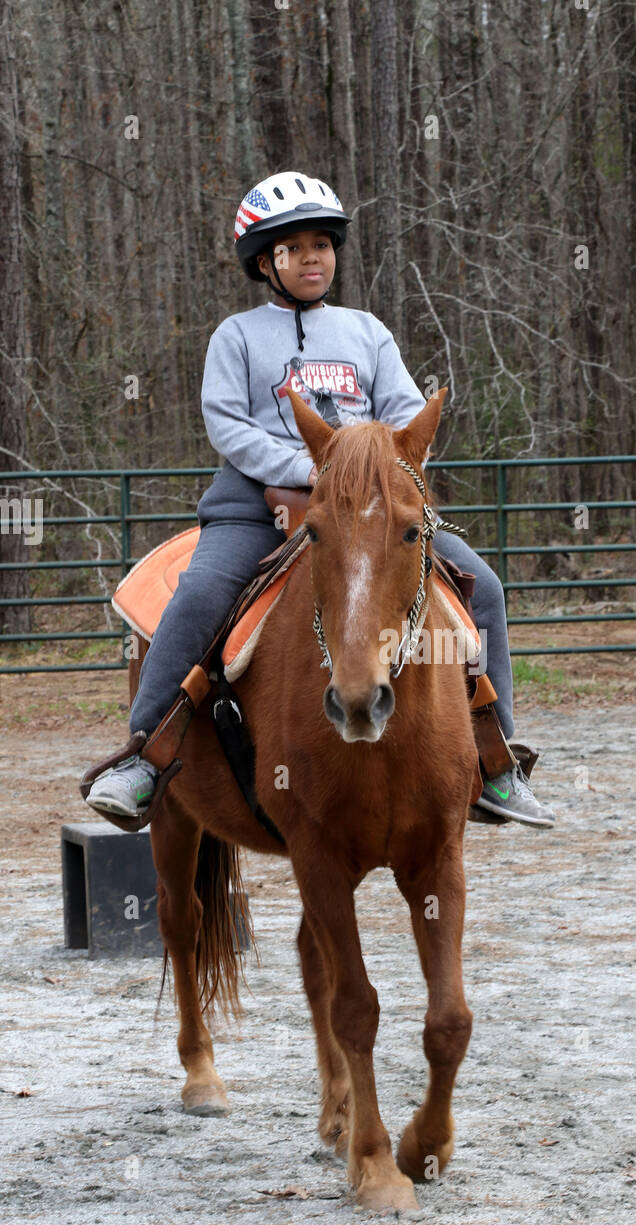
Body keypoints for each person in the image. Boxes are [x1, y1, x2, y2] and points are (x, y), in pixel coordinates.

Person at [86, 171, 555, 828]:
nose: (312, 258)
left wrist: (375, 478)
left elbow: (406, 415)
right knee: (198, 595)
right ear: (264, 262)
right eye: (294, 248)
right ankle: (145, 756)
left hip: (368, 509)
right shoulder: (237, 336)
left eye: (322, 245)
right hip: (256, 505)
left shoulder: (366, 332)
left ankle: (493, 760)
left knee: (484, 586)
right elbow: (226, 424)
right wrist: (311, 471)